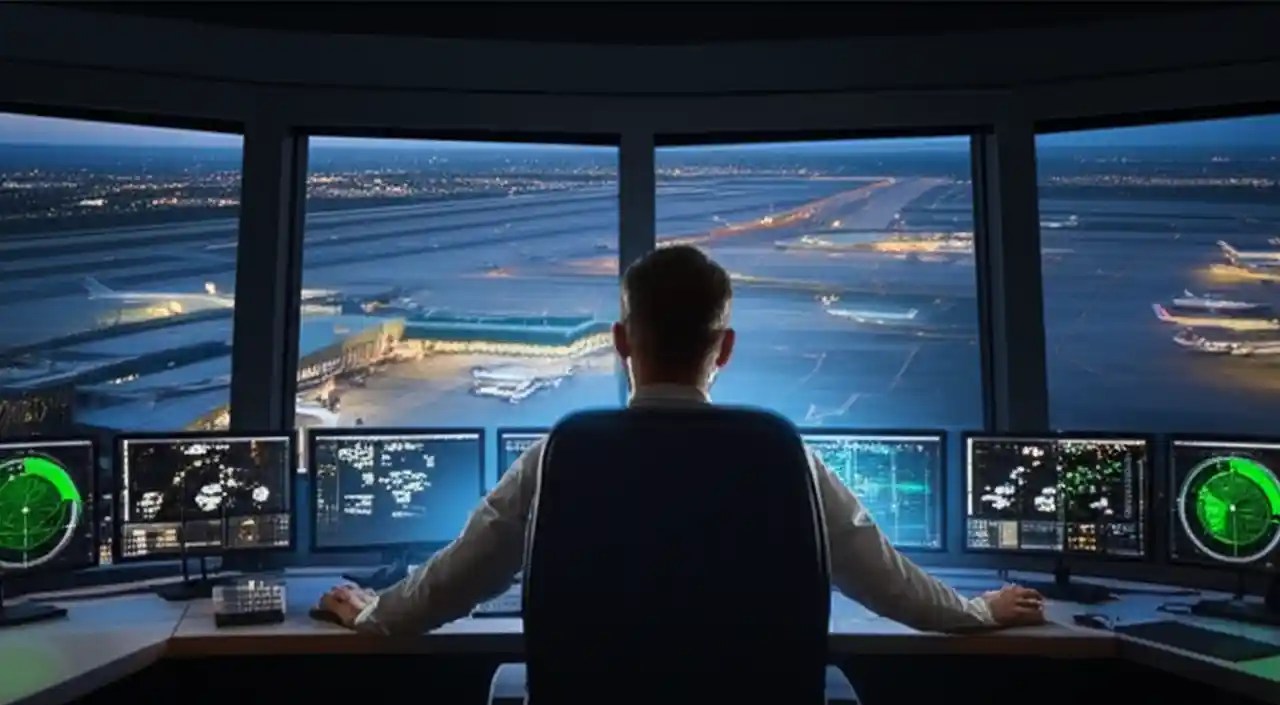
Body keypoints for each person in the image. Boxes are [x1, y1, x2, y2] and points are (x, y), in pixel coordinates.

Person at [319, 245, 1045, 634]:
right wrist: (981, 611)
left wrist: (374, 613)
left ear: (618, 343)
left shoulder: (564, 456)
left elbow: (451, 585)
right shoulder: (780, 455)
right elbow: (889, 583)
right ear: (724, 348)